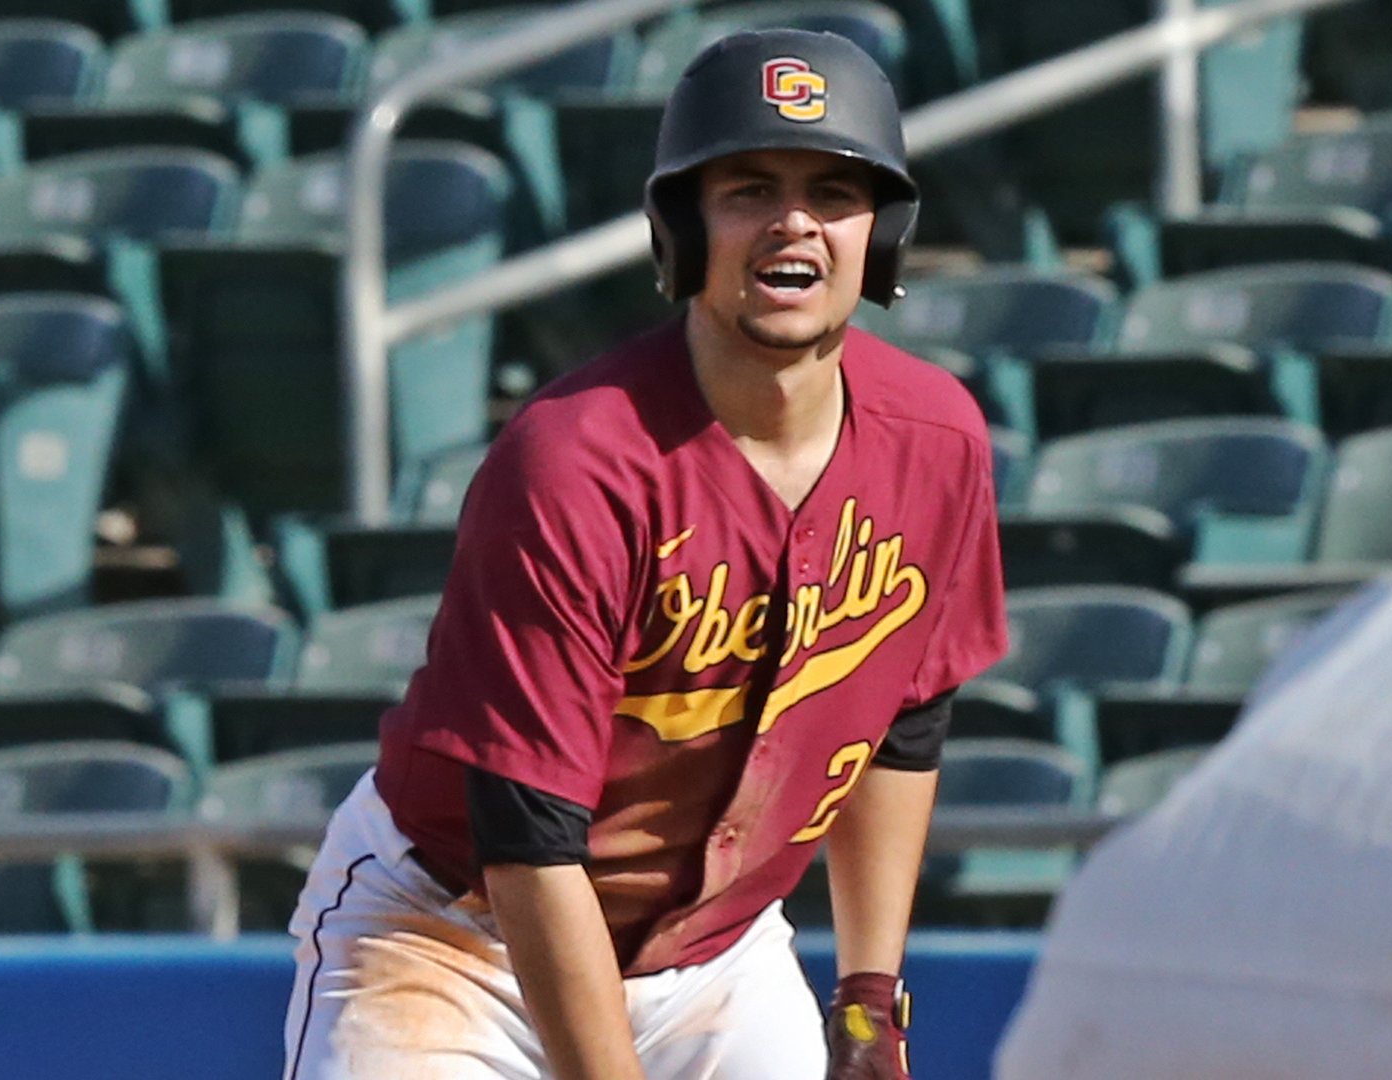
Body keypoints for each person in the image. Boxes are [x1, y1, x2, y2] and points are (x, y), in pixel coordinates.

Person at [283, 28, 1006, 1080]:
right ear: (683, 227)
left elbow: (905, 720)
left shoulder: (935, 439)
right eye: (749, 188)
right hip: (454, 928)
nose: (794, 220)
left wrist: (865, 1002)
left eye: (835, 191)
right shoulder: (577, 461)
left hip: (714, 948)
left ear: (879, 233)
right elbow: (524, 836)